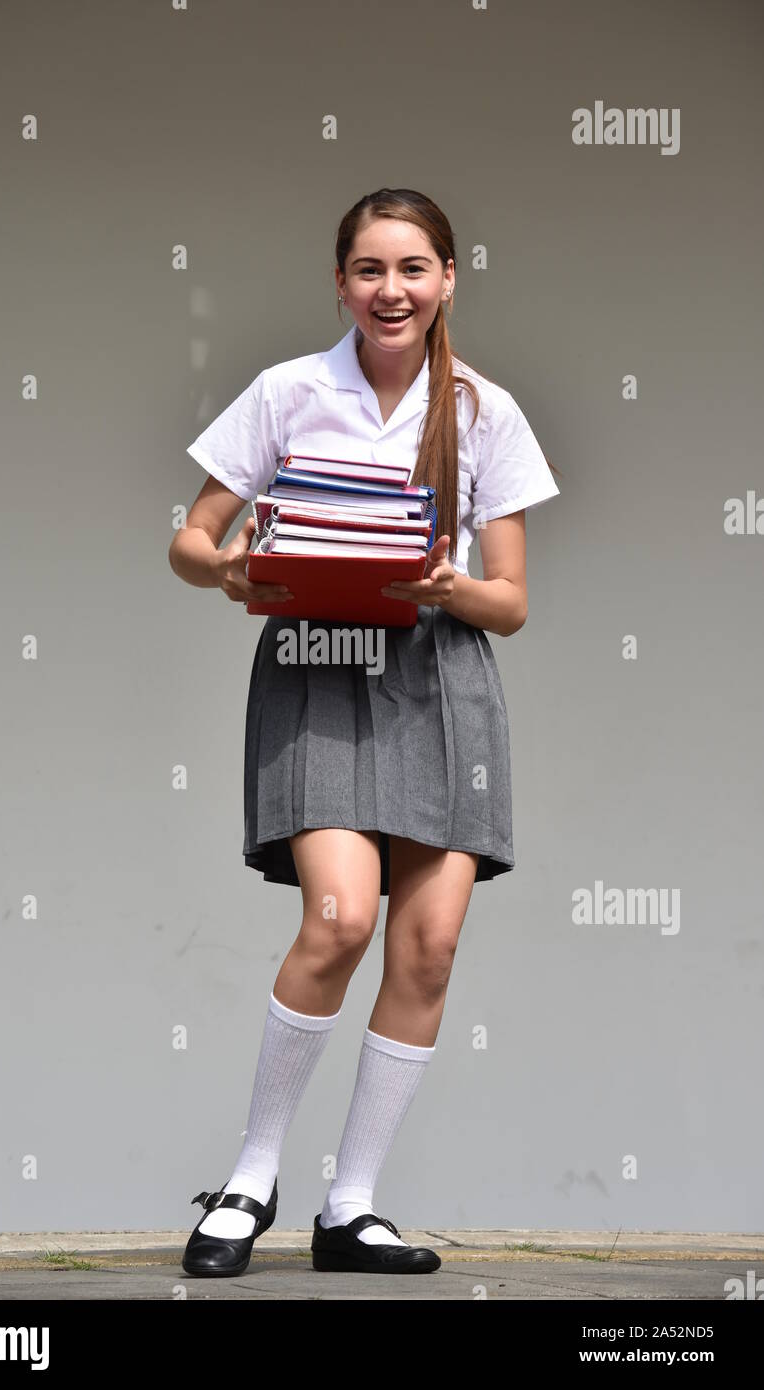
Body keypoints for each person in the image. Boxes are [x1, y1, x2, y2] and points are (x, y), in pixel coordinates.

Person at [168, 188, 561, 1277]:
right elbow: (191, 541)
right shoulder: (287, 391)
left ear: (448, 279)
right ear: (340, 282)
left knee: (427, 947)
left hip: (438, 680)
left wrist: (446, 584)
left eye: (413, 268)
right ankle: (251, 1179)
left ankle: (351, 1208)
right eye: (370, 269)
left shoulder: (484, 410)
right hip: (317, 668)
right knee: (338, 920)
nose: (392, 290)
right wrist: (230, 569)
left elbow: (509, 601)